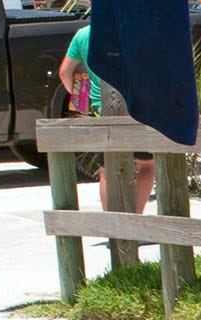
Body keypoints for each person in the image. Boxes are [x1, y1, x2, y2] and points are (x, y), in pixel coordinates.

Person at [60, 14, 156, 211]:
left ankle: (111, 223)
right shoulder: (133, 31)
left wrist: (80, 97)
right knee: (146, 164)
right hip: (135, 107)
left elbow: (64, 72)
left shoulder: (82, 35)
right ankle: (134, 221)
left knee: (106, 169)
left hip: (101, 109)